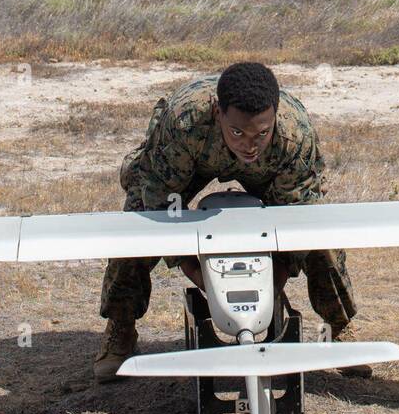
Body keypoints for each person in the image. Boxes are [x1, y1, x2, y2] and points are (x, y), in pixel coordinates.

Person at [95, 61, 368, 380]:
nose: (249, 144)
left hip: (270, 173)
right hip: (193, 160)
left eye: (261, 133)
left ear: (275, 118)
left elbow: (298, 218)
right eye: (238, 132)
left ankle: (340, 326)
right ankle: (121, 328)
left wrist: (275, 278)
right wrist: (193, 270)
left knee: (320, 239)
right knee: (137, 228)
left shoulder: (294, 135)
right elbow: (159, 200)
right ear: (217, 113)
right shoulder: (185, 122)